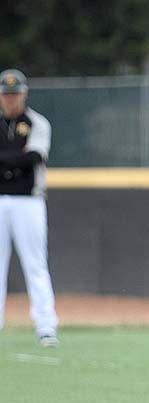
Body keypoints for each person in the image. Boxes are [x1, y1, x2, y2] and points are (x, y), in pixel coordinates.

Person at [0, 69, 58, 346]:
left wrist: (8, 161)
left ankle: (46, 327)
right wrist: (15, 159)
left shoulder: (37, 123)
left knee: (35, 263)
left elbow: (34, 157)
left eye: (15, 93)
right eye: (6, 94)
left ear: (24, 94)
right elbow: (20, 159)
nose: (10, 99)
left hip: (29, 201)